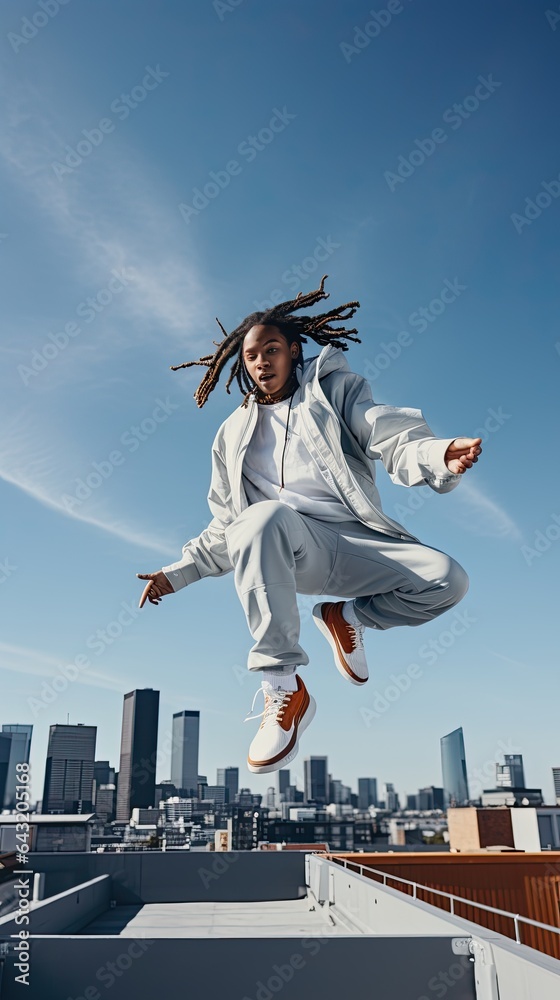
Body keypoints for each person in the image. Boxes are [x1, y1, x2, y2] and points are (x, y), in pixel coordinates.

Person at [137, 276, 481, 775]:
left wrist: (435, 454)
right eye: (252, 357)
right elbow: (227, 525)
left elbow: (385, 433)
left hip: (357, 543)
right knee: (262, 518)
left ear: (295, 350)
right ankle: (283, 687)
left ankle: (348, 619)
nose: (261, 363)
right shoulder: (231, 435)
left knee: (450, 581)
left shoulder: (334, 392)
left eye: (272, 350)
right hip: (292, 552)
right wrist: (179, 572)